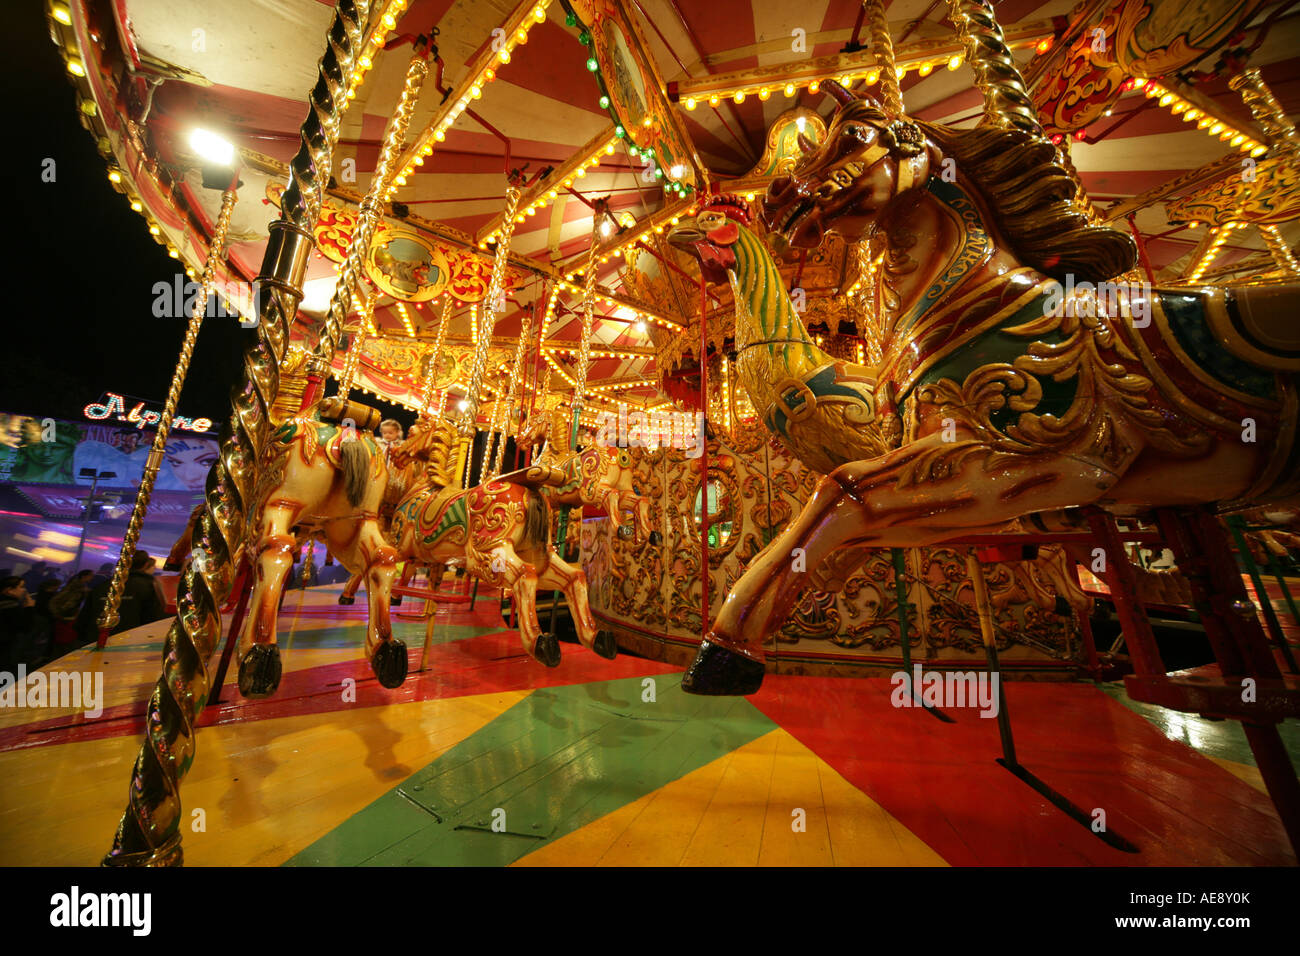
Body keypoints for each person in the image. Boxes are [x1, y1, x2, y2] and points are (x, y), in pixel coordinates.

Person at [48, 570, 94, 655]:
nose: (92, 577)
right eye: (91, 575)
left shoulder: (79, 586)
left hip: (67, 617)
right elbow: (56, 600)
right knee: (65, 642)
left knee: (62, 641)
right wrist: (59, 613)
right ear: (84, 576)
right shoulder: (75, 587)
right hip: (67, 617)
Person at [0, 576, 38, 673]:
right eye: (21, 587)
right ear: (9, 590)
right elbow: (26, 627)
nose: (24, 590)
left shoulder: (5, 602)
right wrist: (29, 607)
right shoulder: (10, 606)